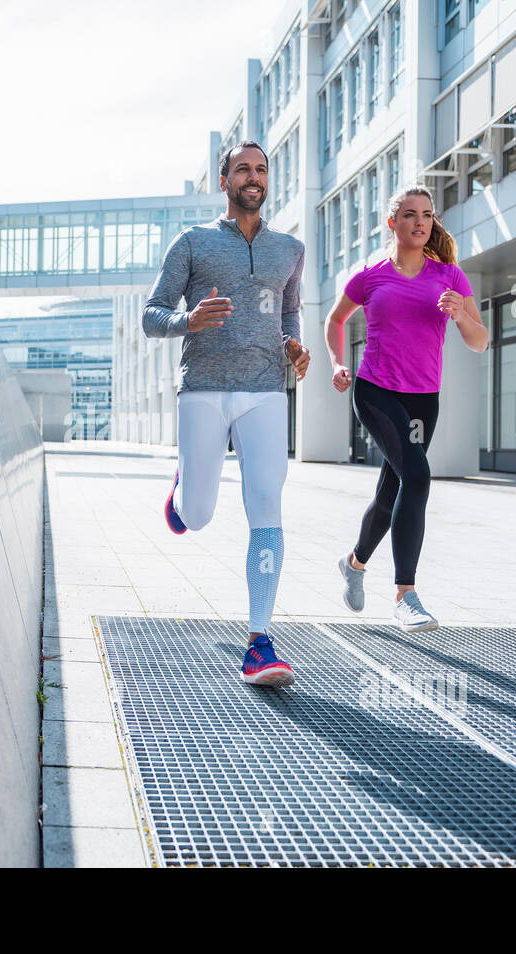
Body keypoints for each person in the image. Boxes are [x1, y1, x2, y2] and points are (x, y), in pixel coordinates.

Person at [143, 140, 310, 686]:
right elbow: (151, 315)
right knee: (199, 515)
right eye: (243, 169)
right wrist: (186, 322)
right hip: (204, 388)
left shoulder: (290, 248)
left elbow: (289, 311)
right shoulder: (192, 243)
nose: (254, 177)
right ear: (225, 181)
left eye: (261, 169)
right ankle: (183, 489)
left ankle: (260, 641)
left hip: (267, 390)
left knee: (266, 504)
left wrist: (294, 346)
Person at [324, 184, 488, 632]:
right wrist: (339, 363)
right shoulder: (371, 274)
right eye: (411, 214)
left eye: (428, 215)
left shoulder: (450, 276)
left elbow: (480, 341)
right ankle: (405, 595)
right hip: (375, 390)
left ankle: (354, 564)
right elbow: (336, 318)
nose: (421, 221)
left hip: (423, 399)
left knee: (392, 489)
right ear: (392, 222)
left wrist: (461, 316)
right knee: (417, 476)